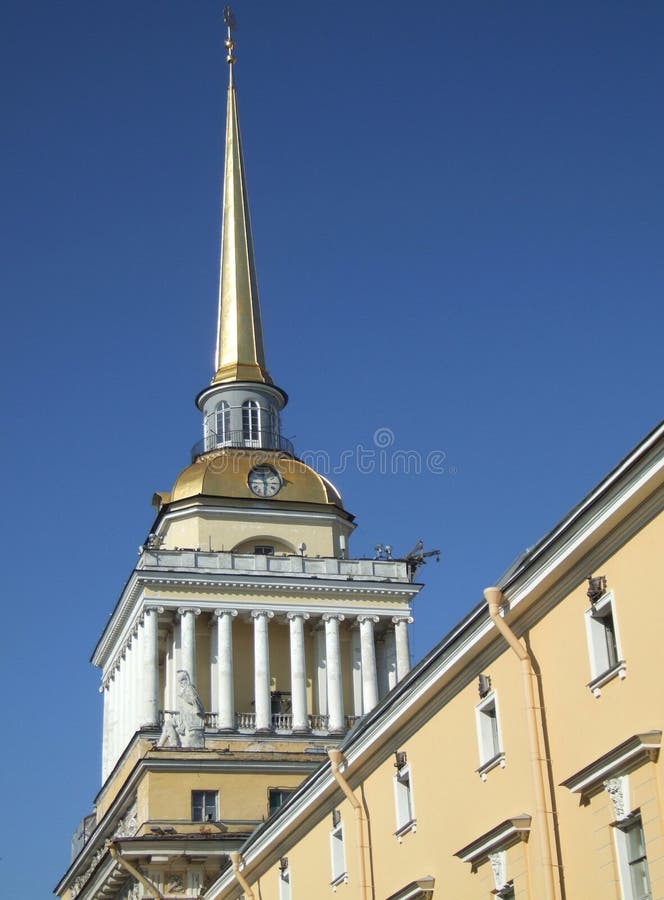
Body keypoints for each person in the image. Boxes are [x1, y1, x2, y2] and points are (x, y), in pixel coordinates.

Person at [157, 669, 205, 748]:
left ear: (187, 680)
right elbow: (183, 709)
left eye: (183, 680)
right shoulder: (184, 690)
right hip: (183, 717)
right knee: (168, 724)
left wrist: (184, 695)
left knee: (168, 724)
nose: (181, 683)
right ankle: (165, 744)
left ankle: (169, 744)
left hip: (190, 718)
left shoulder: (189, 689)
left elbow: (195, 701)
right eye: (180, 681)